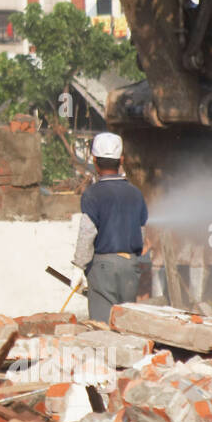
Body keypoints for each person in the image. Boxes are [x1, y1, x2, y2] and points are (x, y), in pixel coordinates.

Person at [72, 132, 148, 322]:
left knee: (103, 325)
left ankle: (108, 353)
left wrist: (78, 267)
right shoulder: (136, 194)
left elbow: (87, 233)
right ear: (121, 160)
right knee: (125, 324)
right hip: (130, 266)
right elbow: (141, 232)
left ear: (95, 161)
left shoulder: (92, 194)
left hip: (102, 267)